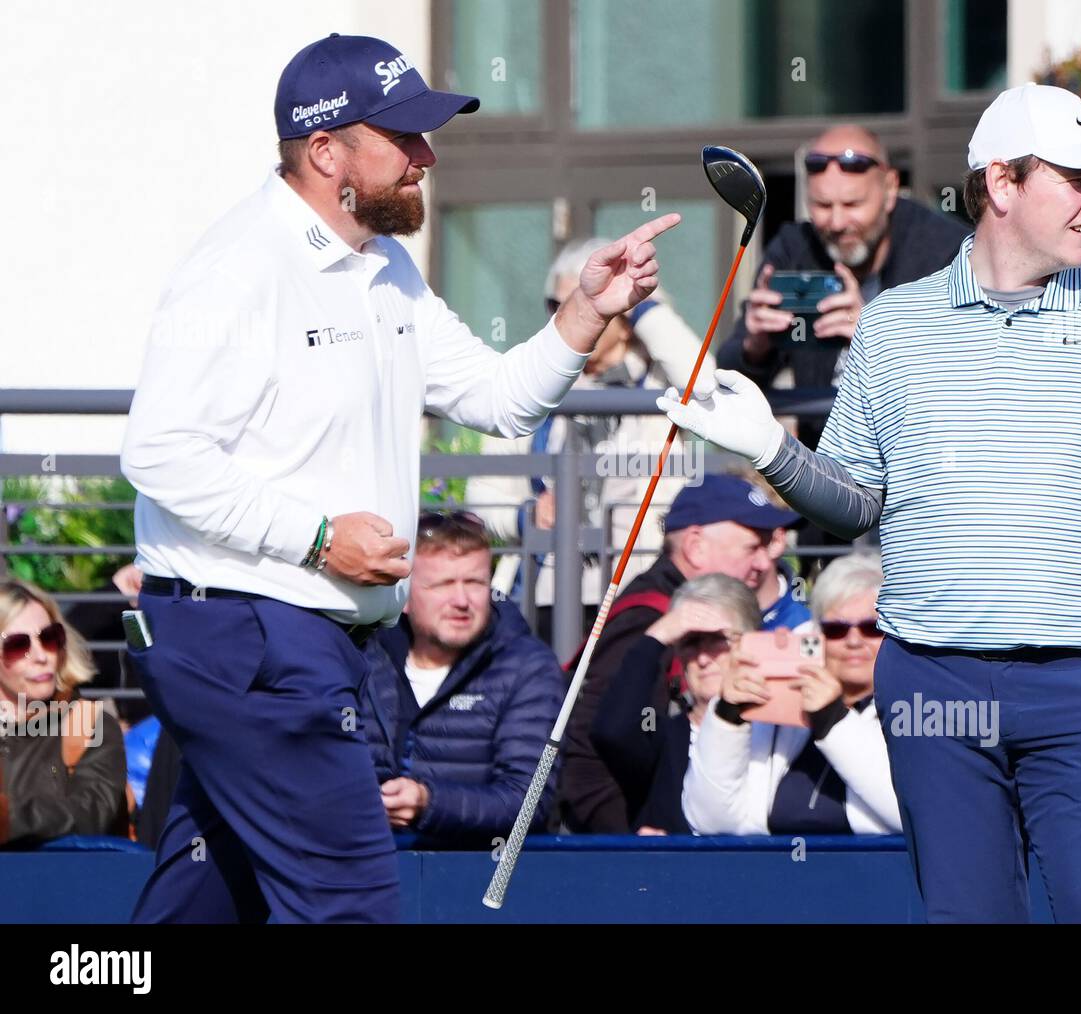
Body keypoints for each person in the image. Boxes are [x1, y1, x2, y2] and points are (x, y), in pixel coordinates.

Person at [120, 33, 676, 923]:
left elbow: (497, 398)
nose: (426, 155)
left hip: (292, 640)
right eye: (403, 136)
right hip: (251, 639)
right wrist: (316, 534)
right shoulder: (239, 268)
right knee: (352, 903)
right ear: (325, 151)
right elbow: (158, 453)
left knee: (202, 902)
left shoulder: (385, 263)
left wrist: (582, 315)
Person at [660, 83, 1081, 922]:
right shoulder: (895, 326)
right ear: (1001, 183)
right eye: (1076, 179)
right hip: (932, 687)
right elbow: (853, 505)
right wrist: (770, 452)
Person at [716, 125, 971, 572]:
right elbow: (732, 370)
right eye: (821, 206)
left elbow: (967, 366)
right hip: (830, 484)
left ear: (890, 189)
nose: (836, 222)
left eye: (852, 204)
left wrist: (873, 331)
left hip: (927, 489)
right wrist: (756, 342)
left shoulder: (946, 249)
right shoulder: (796, 246)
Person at [464, 238, 712, 643]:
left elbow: (704, 384)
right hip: (544, 594)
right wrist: (526, 517)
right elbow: (483, 493)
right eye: (557, 305)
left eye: (595, 301)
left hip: (637, 590)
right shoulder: (533, 379)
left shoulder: (660, 379)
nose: (576, 314)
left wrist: (642, 302)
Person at [556, 473, 800, 833]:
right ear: (696, 545)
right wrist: (627, 840)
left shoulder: (674, 608)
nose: (765, 562)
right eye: (753, 546)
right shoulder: (649, 619)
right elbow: (592, 748)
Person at [358, 511, 563, 848]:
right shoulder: (365, 657)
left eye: (475, 583)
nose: (462, 601)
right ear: (404, 596)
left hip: (478, 872)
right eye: (442, 584)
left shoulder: (528, 667)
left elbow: (529, 802)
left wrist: (427, 802)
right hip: (366, 867)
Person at [682, 554, 901, 836]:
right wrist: (727, 717)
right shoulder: (780, 709)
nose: (854, 641)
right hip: (774, 875)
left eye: (872, 628)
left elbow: (912, 814)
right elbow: (709, 822)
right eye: (836, 629)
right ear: (816, 634)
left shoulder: (914, 706)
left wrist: (832, 720)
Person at [590, 573, 762, 835]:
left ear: (752, 642)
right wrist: (655, 638)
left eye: (718, 640)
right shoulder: (665, 739)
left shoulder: (776, 734)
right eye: (690, 642)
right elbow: (612, 731)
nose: (703, 658)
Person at [0, 580, 127, 847]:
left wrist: (8, 820)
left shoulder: (88, 725)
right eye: (17, 645)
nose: (41, 656)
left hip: (61, 883)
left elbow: (91, 815)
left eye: (49, 638)